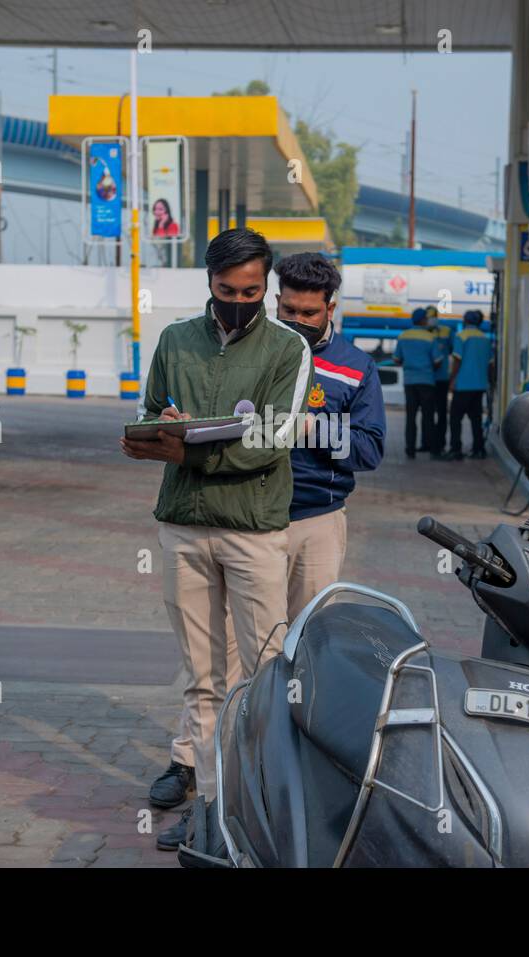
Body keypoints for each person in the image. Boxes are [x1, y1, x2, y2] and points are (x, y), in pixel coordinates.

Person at [122, 228, 311, 851]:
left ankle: (263, 808)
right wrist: (162, 429)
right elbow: (151, 413)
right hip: (182, 526)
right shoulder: (175, 339)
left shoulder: (288, 347)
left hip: (254, 532)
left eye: (252, 291)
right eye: (227, 289)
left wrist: (196, 453)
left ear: (267, 287)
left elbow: (275, 437)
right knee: (201, 680)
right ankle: (209, 808)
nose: (239, 300)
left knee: (265, 676)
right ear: (209, 282)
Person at [275, 252, 386, 618]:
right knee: (240, 643)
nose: (297, 321)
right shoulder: (255, 355)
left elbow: (369, 449)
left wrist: (312, 429)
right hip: (247, 521)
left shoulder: (357, 368)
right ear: (277, 301)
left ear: (330, 308)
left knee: (307, 636)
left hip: (315, 522)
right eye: (289, 311)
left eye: (309, 314)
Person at [443, 310, 492, 461]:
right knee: (476, 419)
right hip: (479, 386)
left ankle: (455, 449)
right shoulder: (485, 338)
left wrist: (451, 379)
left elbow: (457, 360)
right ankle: (479, 449)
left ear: (465, 321)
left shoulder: (461, 336)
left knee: (455, 418)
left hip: (463, 385)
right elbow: (490, 365)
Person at [397, 308, 443, 459]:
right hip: (426, 381)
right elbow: (437, 361)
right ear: (423, 320)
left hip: (409, 381)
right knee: (428, 416)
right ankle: (433, 450)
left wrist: (409, 362)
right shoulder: (430, 338)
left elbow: (397, 359)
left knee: (411, 417)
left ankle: (410, 450)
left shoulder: (403, 336)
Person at [430, 306, 454, 453]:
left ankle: (439, 442)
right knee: (429, 413)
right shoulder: (424, 332)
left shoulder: (446, 331)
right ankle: (431, 442)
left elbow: (452, 350)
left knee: (441, 413)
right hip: (431, 379)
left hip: (440, 378)